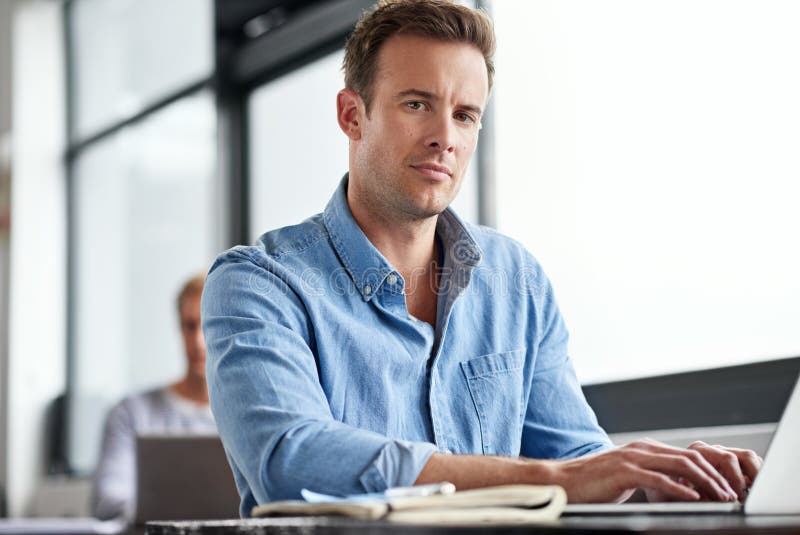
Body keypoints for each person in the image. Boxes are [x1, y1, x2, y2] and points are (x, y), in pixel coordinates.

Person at [201, 0, 762, 517]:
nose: (444, 136)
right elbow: (290, 462)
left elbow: (576, 457)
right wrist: (551, 476)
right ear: (353, 115)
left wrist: (662, 478)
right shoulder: (259, 283)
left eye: (465, 115)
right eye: (418, 104)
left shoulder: (516, 279)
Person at [91, 275, 217, 522]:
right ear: (178, 328)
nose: (199, 342)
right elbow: (109, 499)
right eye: (190, 326)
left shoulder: (248, 418)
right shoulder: (130, 413)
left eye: (208, 326)